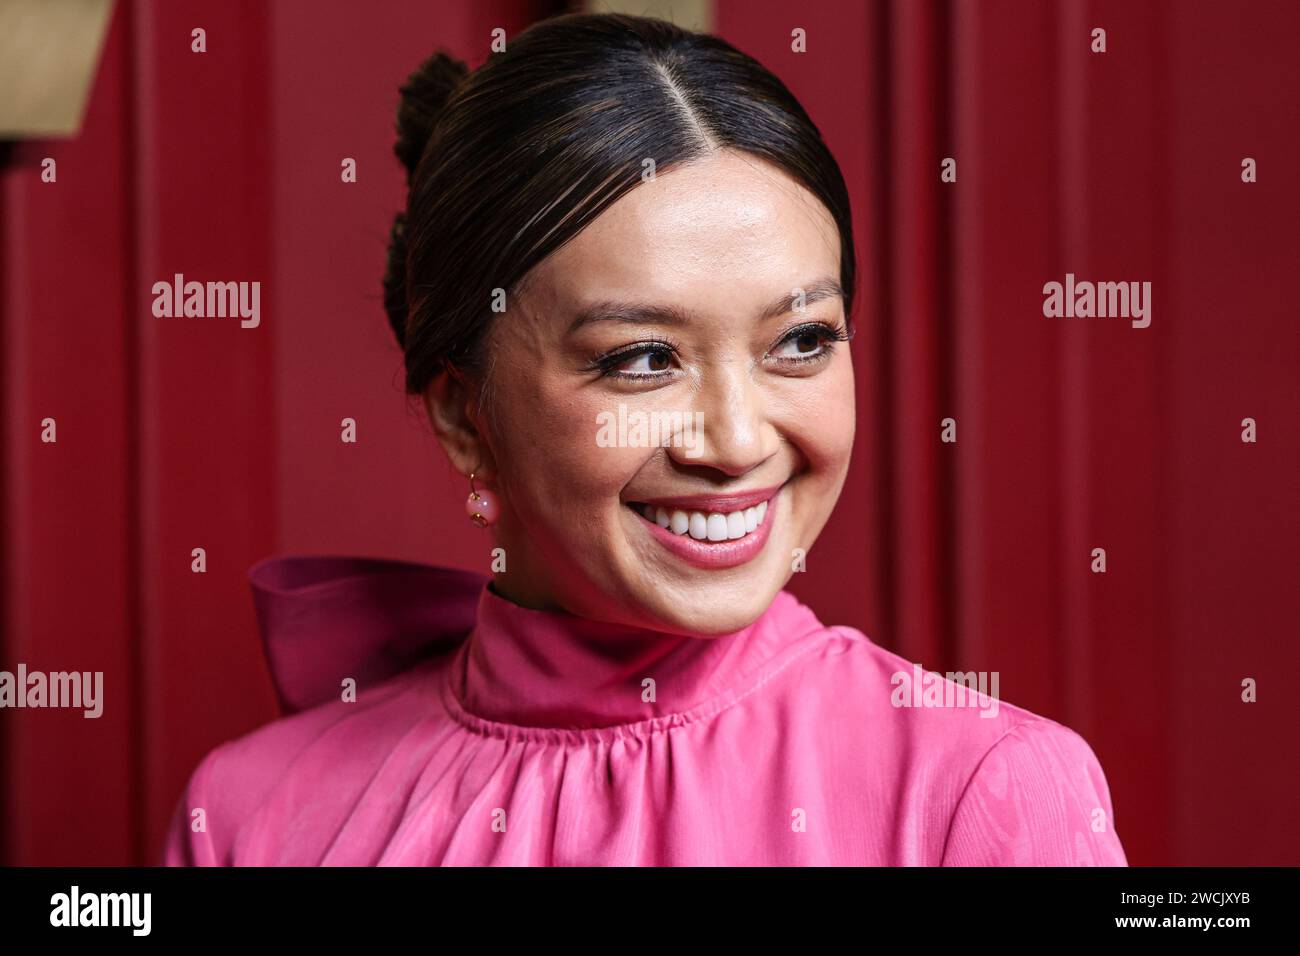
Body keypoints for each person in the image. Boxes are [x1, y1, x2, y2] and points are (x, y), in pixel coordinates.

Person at [164, 11, 1127, 866]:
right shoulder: (247, 818)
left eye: (801, 342)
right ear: (466, 413)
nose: (738, 439)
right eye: (642, 360)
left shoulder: (983, 792)